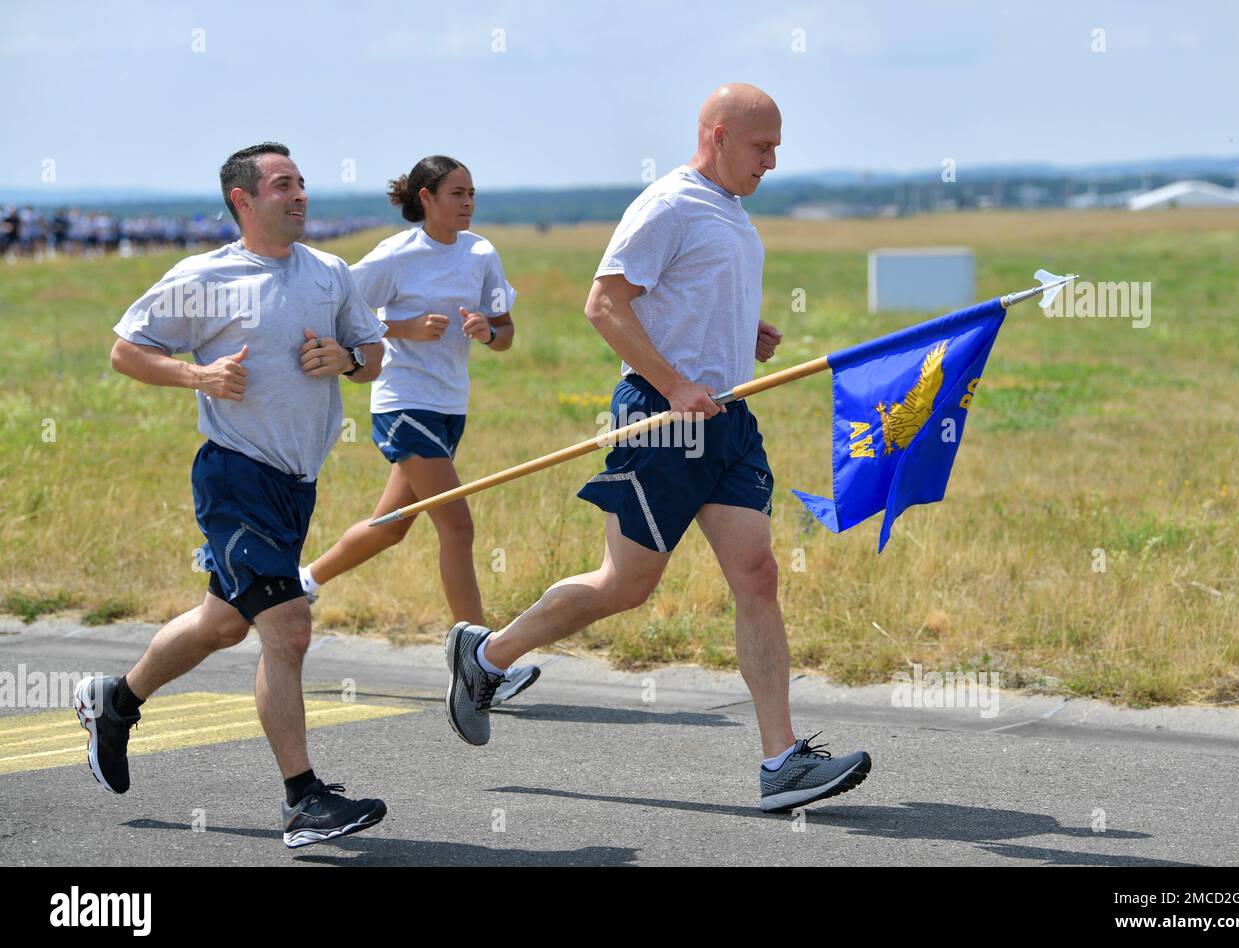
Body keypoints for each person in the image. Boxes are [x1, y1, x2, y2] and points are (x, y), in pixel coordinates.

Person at [442, 84, 871, 813]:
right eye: (762, 147)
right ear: (717, 134)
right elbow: (604, 303)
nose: (772, 161)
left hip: (729, 420)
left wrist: (745, 331)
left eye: (775, 149)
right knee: (625, 585)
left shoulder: (730, 211)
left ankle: (780, 762)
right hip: (664, 422)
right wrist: (674, 384)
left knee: (758, 575)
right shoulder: (669, 203)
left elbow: (685, 297)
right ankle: (485, 656)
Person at [74, 142, 391, 848]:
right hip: (234, 477)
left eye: (303, 182)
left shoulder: (331, 273)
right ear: (243, 200)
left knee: (221, 624)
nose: (301, 194)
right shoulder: (207, 277)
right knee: (288, 627)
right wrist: (198, 377)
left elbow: (373, 357)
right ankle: (303, 801)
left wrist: (347, 359)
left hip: (296, 485)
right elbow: (127, 349)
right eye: (284, 185)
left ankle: (115, 702)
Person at [297, 155, 541, 707]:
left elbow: (506, 332)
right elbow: (340, 306)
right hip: (403, 402)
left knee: (392, 525)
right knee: (457, 526)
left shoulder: (481, 253)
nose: (468, 202)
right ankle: (482, 666)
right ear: (426, 197)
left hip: (450, 406)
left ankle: (303, 581)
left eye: (472, 193)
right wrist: (401, 326)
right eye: (457, 192)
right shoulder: (397, 254)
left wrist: (486, 331)